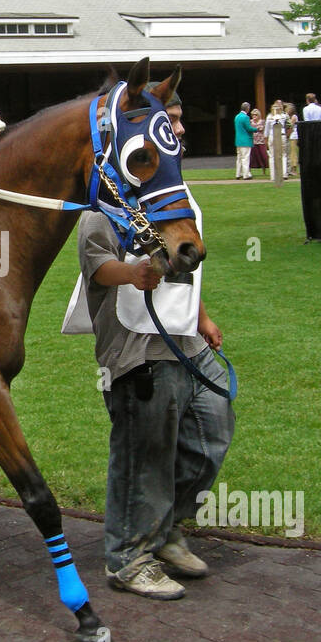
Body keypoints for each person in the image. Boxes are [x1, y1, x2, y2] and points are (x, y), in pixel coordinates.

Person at [76, 135, 234, 599]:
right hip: (137, 348)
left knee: (211, 434)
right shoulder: (101, 204)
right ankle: (129, 557)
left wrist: (201, 316)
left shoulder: (172, 196)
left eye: (182, 123)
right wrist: (132, 273)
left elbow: (189, 266)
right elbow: (96, 263)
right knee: (143, 454)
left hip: (186, 339)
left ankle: (162, 529)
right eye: (173, 123)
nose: (180, 132)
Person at [264, 100, 288, 180]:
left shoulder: (269, 117)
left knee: (272, 156)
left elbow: (266, 130)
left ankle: (273, 175)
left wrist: (266, 139)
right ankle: (284, 174)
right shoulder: (284, 116)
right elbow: (288, 125)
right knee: (283, 155)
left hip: (272, 135)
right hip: (281, 135)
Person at [233, 101, 254, 179]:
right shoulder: (246, 117)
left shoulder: (237, 116)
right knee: (245, 157)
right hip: (245, 140)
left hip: (238, 140)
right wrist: (256, 129)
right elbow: (249, 128)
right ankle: (246, 174)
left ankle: (238, 174)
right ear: (247, 108)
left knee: (239, 158)